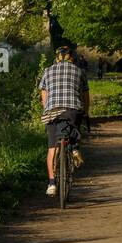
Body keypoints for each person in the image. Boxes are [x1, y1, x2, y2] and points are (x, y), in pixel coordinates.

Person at [38, 43, 90, 197]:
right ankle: (74, 147)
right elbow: (85, 96)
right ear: (72, 57)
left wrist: (47, 109)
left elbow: (44, 97)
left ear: (56, 58)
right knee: (75, 121)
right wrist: (85, 111)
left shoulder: (47, 71)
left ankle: (52, 184)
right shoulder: (79, 71)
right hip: (72, 110)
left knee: (52, 148)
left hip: (52, 112)